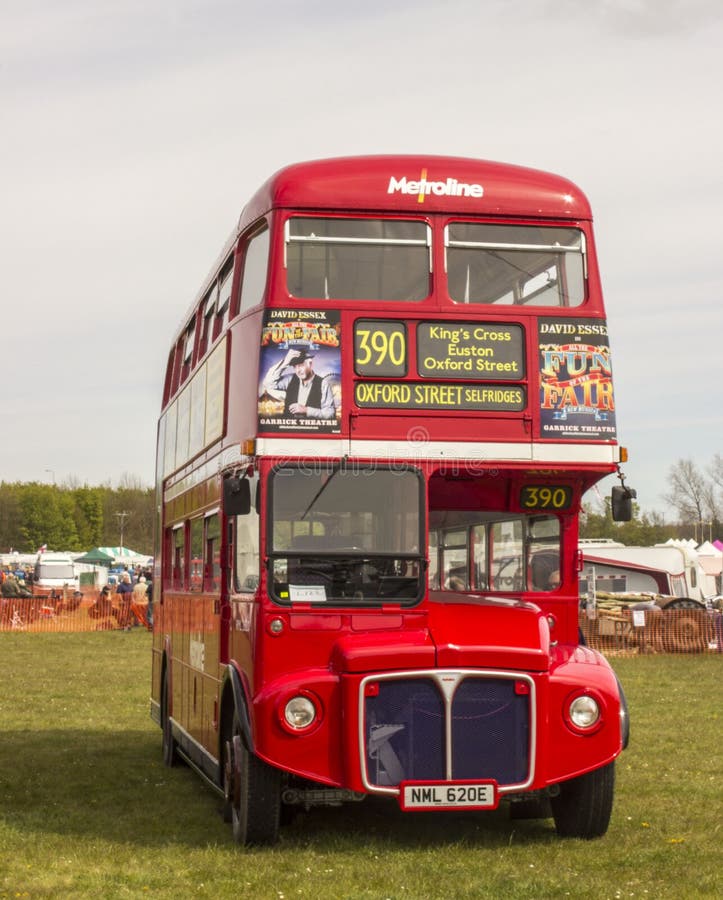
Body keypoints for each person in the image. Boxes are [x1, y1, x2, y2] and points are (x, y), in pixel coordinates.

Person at [262, 348, 336, 419]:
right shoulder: (290, 379)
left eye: (301, 365)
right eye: (295, 367)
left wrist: (307, 410)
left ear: (310, 364)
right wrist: (285, 362)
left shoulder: (323, 384)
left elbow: (330, 414)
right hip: (288, 430)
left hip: (311, 431)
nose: (298, 370)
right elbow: (268, 383)